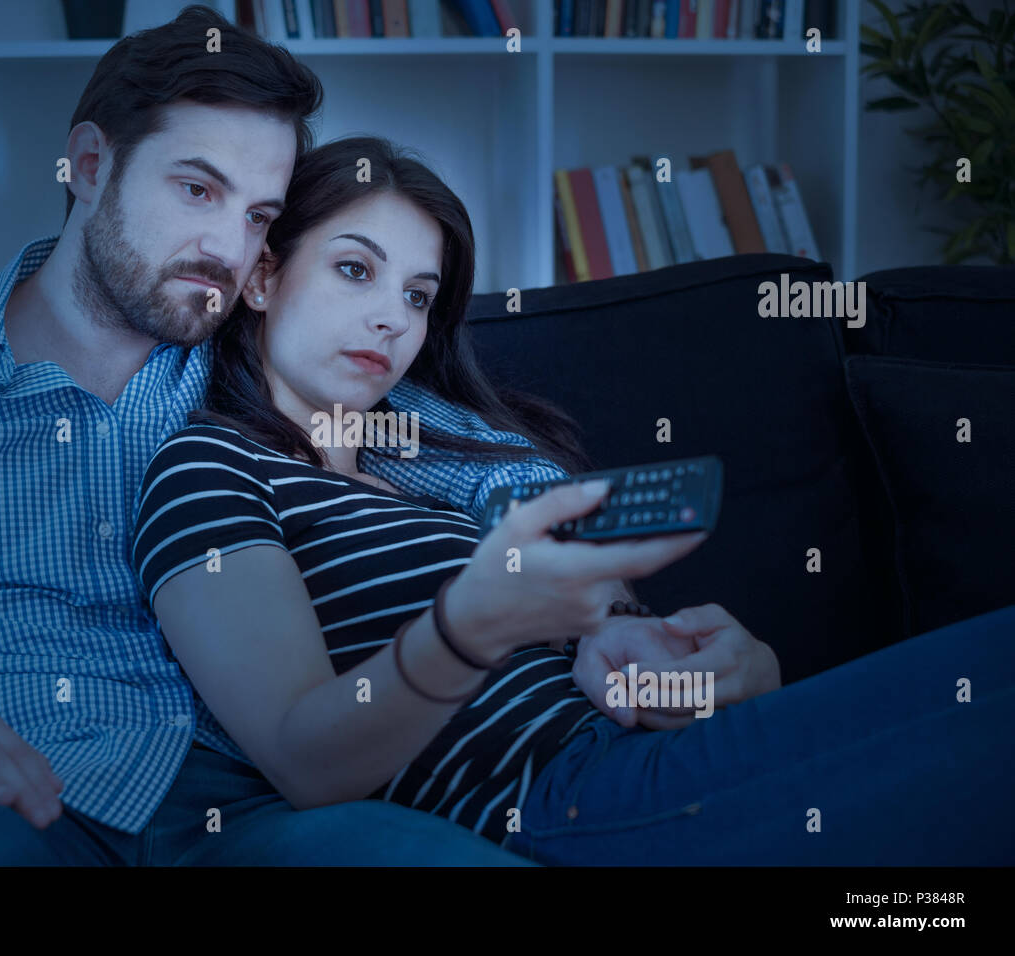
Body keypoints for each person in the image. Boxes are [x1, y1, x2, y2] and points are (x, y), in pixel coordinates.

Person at [0, 7, 611, 865]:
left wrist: (617, 619)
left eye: (260, 216)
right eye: (196, 189)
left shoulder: (269, 355)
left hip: (259, 815)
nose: (228, 249)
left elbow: (498, 473)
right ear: (90, 164)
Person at [134, 134, 1015, 864]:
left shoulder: (431, 476)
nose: (392, 320)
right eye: (355, 271)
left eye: (417, 296)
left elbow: (612, 657)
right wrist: (464, 630)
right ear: (262, 280)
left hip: (648, 760)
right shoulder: (207, 467)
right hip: (567, 804)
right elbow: (302, 760)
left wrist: (725, 673)